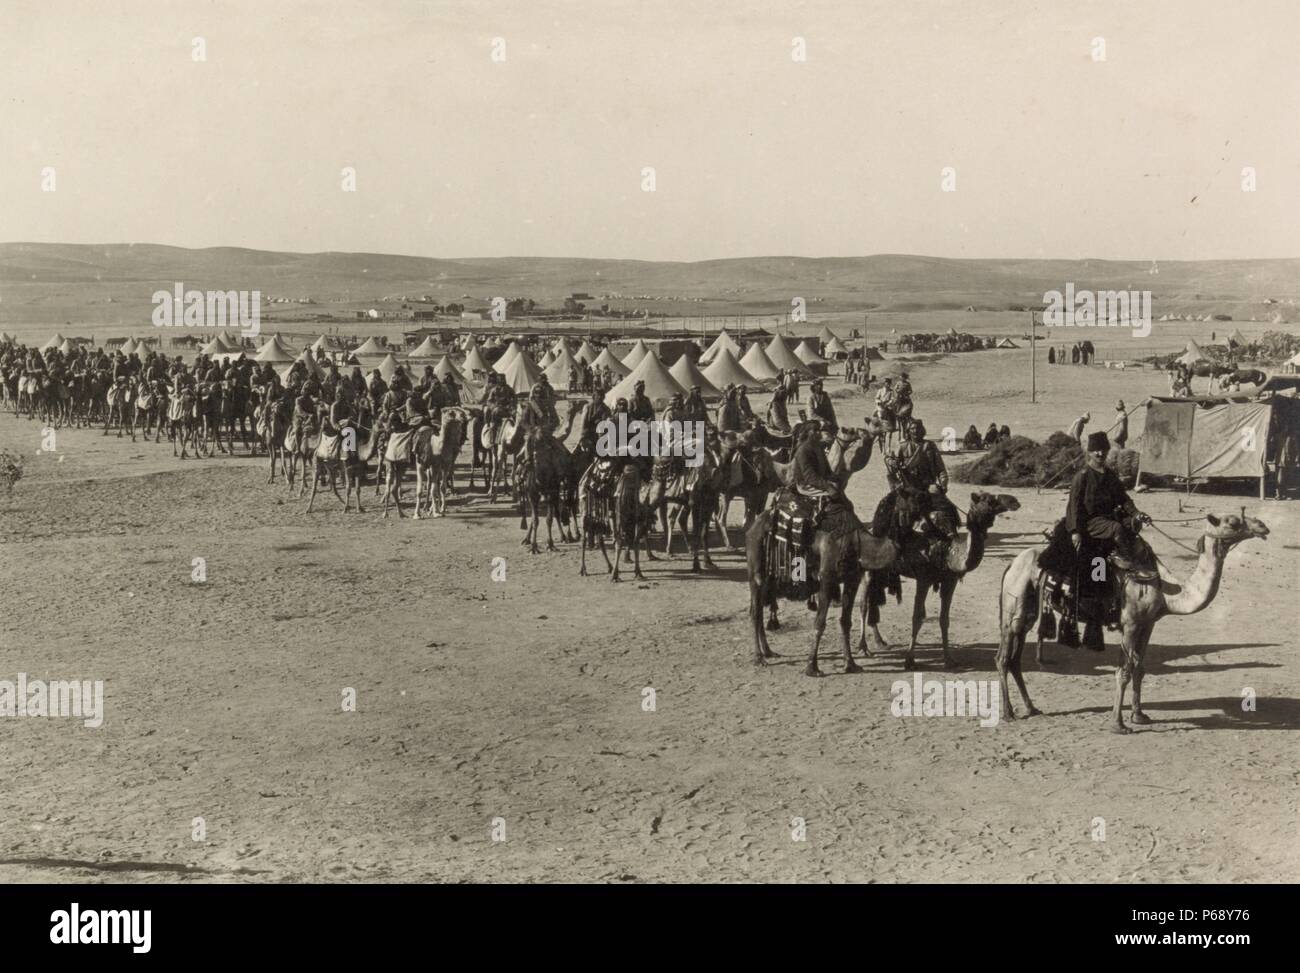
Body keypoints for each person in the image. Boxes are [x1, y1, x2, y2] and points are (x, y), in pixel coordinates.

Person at [1065, 430, 1154, 648]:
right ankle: (1127, 562)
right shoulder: (1083, 477)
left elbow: (1123, 499)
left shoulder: (1110, 475)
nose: (1100, 454)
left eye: (1103, 450)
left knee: (1133, 529)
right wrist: (1075, 531)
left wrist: (1136, 514)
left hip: (1107, 517)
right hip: (1090, 523)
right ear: (1089, 452)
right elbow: (1074, 506)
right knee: (1117, 529)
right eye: (1096, 450)